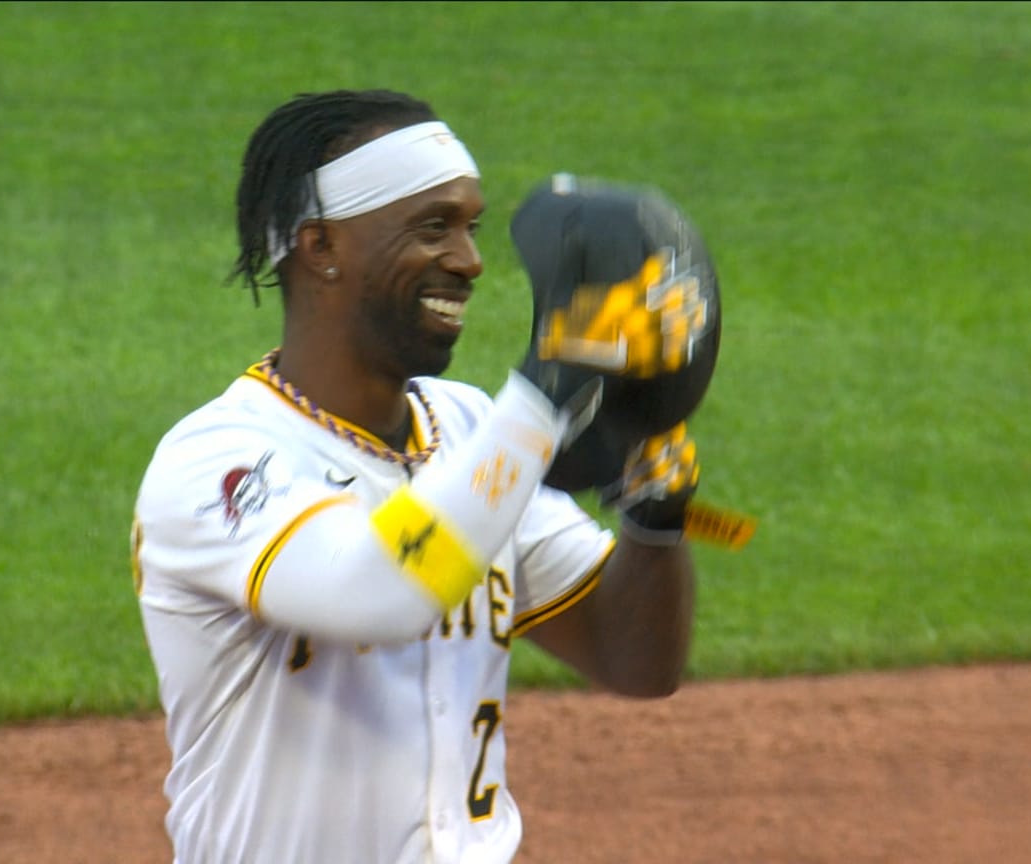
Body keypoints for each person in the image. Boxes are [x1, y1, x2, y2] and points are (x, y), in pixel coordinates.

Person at [130, 88, 704, 864]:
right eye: (433, 227)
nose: (469, 261)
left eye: (470, 227)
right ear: (321, 246)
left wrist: (653, 517)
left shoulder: (472, 429)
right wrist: (548, 395)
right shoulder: (220, 462)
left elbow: (636, 661)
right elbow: (380, 591)